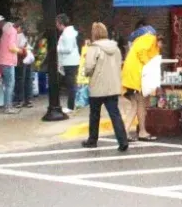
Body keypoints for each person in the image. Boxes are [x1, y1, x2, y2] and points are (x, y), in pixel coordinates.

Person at [81, 22, 129, 152]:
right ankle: (123, 140)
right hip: (113, 86)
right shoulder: (116, 48)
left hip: (97, 86)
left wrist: (86, 72)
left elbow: (89, 68)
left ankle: (92, 140)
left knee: (94, 114)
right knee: (115, 114)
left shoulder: (93, 48)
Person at [120, 21, 159, 141]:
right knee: (136, 104)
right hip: (136, 76)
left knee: (139, 104)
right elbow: (142, 53)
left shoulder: (138, 41)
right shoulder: (150, 38)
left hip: (132, 75)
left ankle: (142, 131)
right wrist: (150, 65)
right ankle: (124, 132)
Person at [0, 15, 20, 114]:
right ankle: (8, 107)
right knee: (9, 85)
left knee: (7, 84)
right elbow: (11, 47)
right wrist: (21, 51)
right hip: (8, 61)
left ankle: (7, 105)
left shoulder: (6, 32)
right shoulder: (11, 31)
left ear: (0, 23)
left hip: (3, 61)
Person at [56, 14, 80, 114]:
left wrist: (57, 48)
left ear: (61, 23)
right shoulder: (69, 32)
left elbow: (68, 49)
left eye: (57, 23)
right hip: (71, 61)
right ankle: (73, 104)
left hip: (69, 62)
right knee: (72, 84)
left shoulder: (67, 33)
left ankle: (71, 106)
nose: (56, 25)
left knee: (71, 85)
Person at [13, 20, 35, 109]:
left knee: (20, 79)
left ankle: (19, 100)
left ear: (19, 28)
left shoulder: (17, 36)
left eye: (15, 27)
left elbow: (17, 48)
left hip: (21, 58)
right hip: (29, 58)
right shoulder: (26, 35)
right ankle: (28, 100)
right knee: (28, 79)